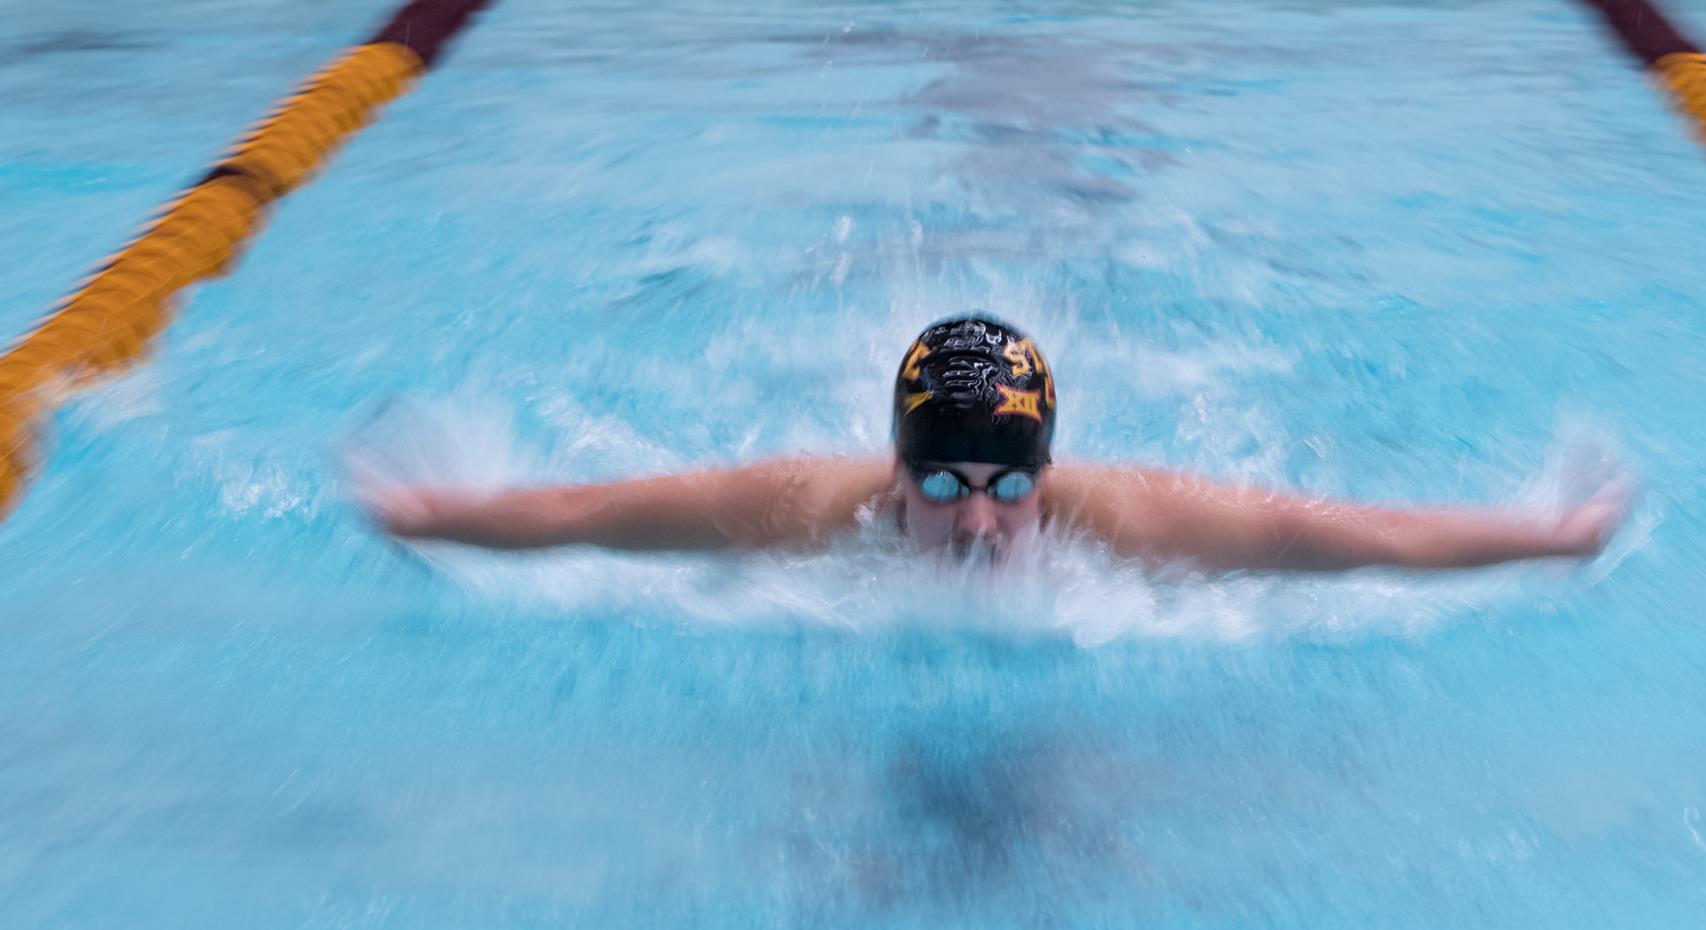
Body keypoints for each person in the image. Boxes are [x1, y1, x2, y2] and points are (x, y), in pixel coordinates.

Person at [365, 315, 1626, 570]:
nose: (976, 523)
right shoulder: (812, 510)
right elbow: (594, 514)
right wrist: (440, 514)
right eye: (942, 484)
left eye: (1011, 485)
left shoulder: (1114, 521)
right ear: (894, 469)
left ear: (1051, 476)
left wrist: (1542, 536)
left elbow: (1340, 533)